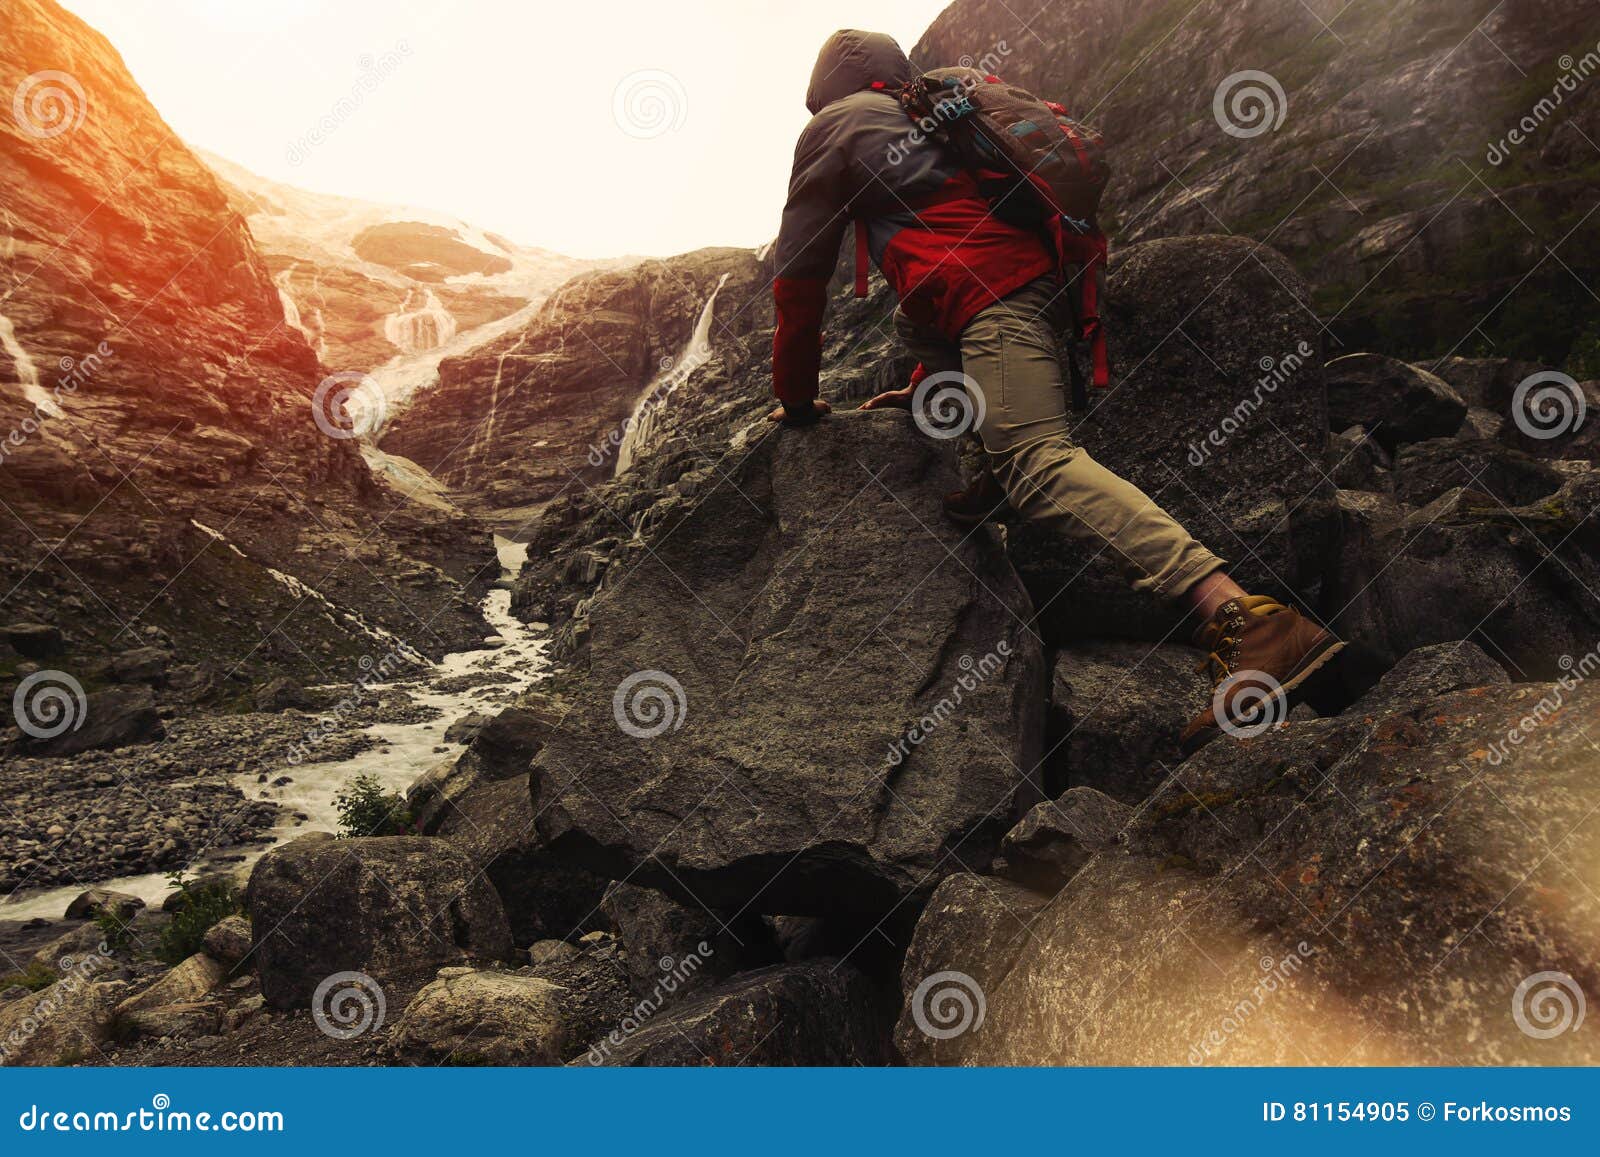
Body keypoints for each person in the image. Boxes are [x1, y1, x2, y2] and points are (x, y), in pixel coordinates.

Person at [765, 29, 1344, 751]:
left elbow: (798, 280)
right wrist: (929, 388)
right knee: (970, 386)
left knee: (1037, 462)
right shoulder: (942, 99)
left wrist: (794, 398)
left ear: (825, 91)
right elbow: (948, 241)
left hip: (995, 298)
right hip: (1046, 286)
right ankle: (992, 472)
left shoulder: (835, 127)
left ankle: (1242, 615)